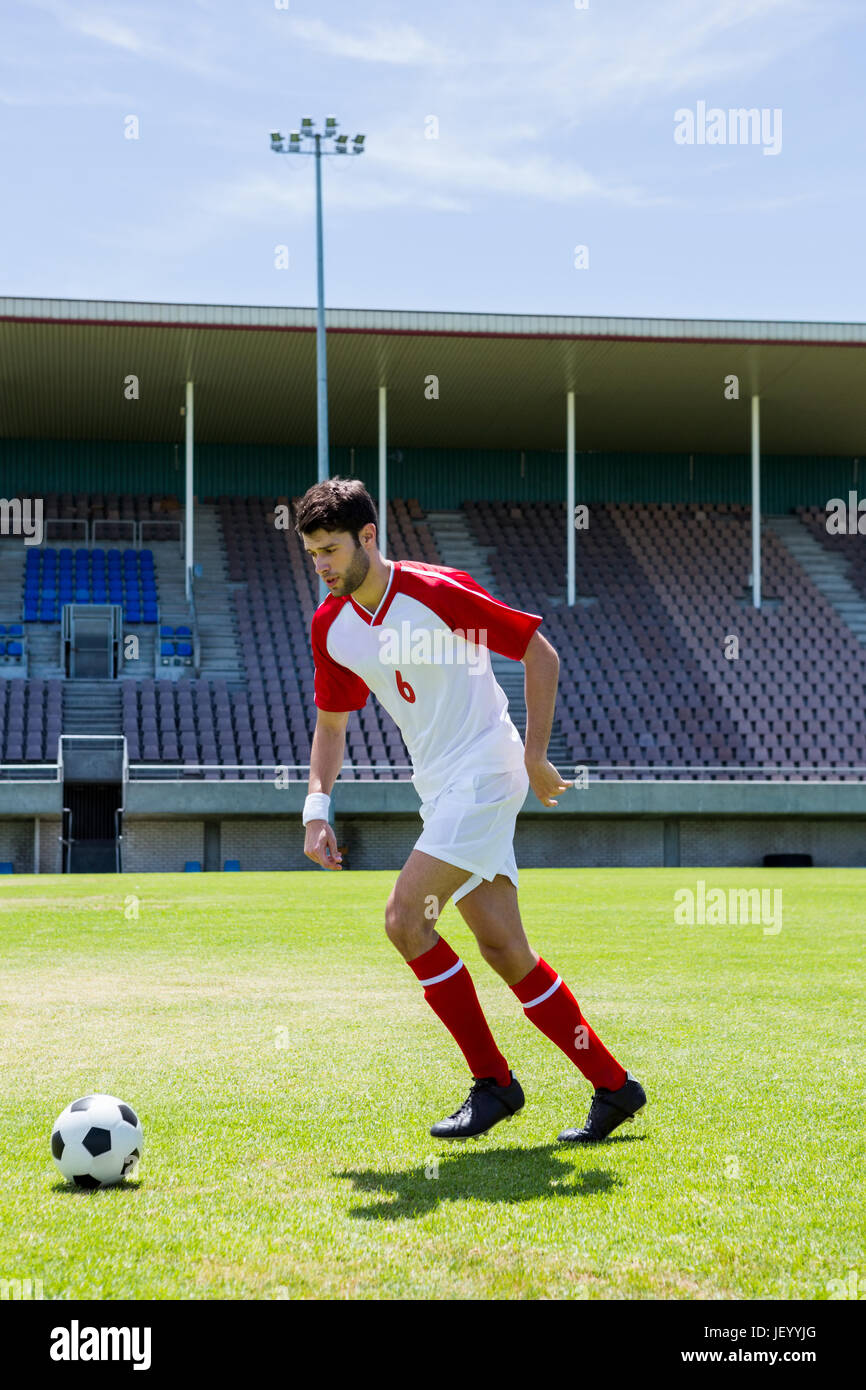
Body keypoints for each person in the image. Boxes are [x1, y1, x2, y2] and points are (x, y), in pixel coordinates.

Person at [298, 477, 646, 1143]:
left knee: (406, 919)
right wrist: (318, 807)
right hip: (439, 789)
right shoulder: (332, 627)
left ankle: (494, 1084)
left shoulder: (436, 591)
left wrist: (537, 756)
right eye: (313, 553)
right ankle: (614, 1086)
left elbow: (539, 651)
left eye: (332, 550)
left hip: (488, 772)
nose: (322, 566)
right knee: (505, 949)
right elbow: (332, 725)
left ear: (368, 537)